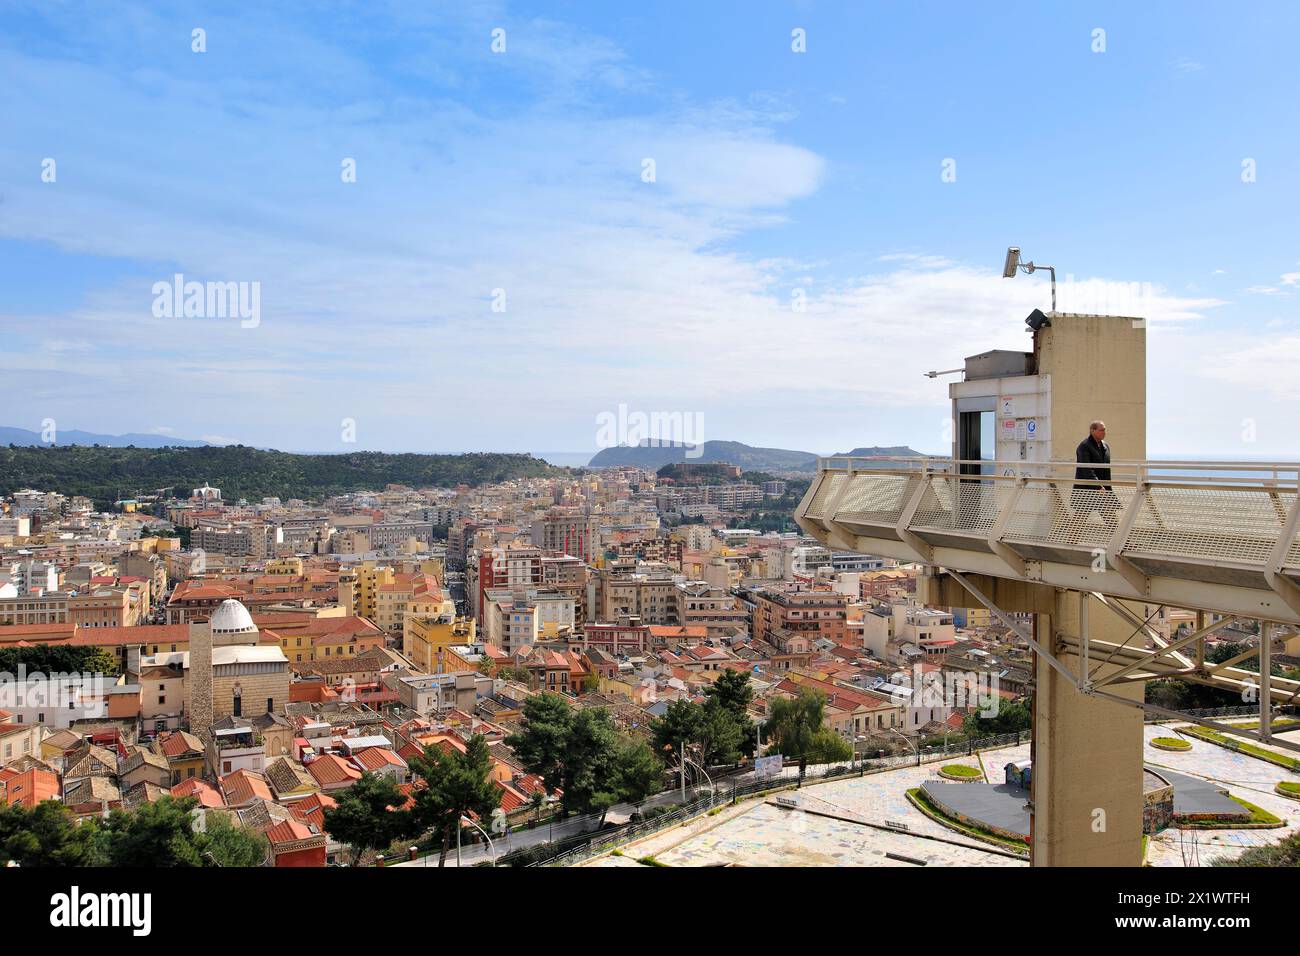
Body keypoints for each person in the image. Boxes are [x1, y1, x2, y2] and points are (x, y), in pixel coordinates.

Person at [1072, 421, 1118, 536]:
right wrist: (1097, 486)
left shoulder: (1105, 446)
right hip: (1087, 488)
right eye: (1101, 430)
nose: (1104, 432)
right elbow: (1086, 468)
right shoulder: (1084, 446)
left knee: (1110, 516)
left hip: (1102, 489)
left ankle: (1124, 543)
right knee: (1080, 517)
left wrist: (1106, 487)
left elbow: (1106, 469)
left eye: (1104, 430)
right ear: (1092, 430)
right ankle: (1071, 542)